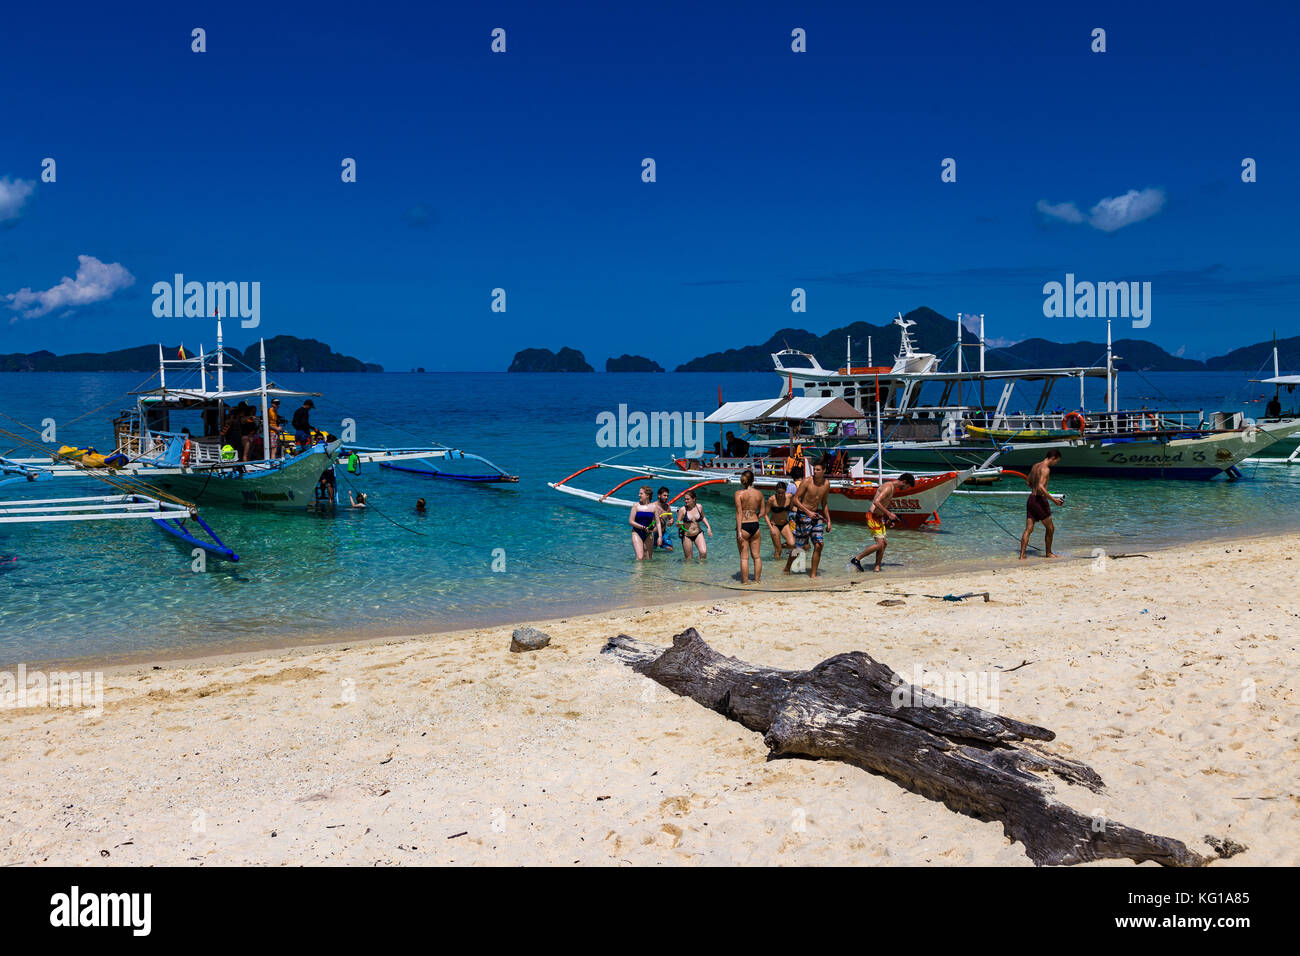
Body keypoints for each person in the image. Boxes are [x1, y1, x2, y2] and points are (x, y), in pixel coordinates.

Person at [849, 473, 915, 573]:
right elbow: (876, 502)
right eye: (907, 487)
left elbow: (883, 504)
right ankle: (857, 559)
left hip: (879, 518)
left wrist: (888, 518)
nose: (906, 489)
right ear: (904, 482)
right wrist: (889, 514)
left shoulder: (892, 488)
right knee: (880, 544)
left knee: (884, 544)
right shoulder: (888, 487)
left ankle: (877, 568)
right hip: (872, 517)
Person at [785, 461, 831, 578]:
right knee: (799, 548)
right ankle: (787, 567)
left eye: (818, 470)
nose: (815, 472)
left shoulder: (826, 484)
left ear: (824, 470)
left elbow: (824, 503)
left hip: (815, 516)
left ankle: (813, 575)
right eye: (814, 469)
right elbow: (795, 500)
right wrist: (808, 512)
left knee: (819, 545)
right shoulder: (807, 482)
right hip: (803, 515)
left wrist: (829, 520)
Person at [1020, 450, 1064, 559]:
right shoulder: (1046, 469)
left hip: (1031, 499)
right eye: (1056, 461)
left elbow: (1028, 482)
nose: (1055, 464)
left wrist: (1035, 490)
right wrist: (1054, 500)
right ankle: (1048, 553)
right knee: (1050, 528)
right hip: (1039, 501)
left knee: (1029, 528)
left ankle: (1022, 555)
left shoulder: (1036, 466)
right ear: (1053, 458)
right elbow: (1040, 486)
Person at [734, 469, 764, 583]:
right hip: (755, 525)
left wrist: (739, 531)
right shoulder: (759, 494)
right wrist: (754, 517)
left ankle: (745, 583)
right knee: (756, 556)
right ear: (753, 480)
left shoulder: (738, 494)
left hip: (744, 525)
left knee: (744, 557)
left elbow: (739, 513)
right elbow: (762, 512)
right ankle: (756, 581)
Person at [676, 489, 711, 560]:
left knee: (703, 553)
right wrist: (680, 524)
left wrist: (708, 527)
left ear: (694, 499)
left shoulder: (699, 507)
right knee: (689, 559)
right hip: (687, 535)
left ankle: (700, 570)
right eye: (685, 499)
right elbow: (677, 523)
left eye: (688, 499)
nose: (686, 501)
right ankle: (690, 570)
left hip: (698, 533)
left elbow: (703, 517)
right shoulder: (682, 510)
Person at [766, 481, 797, 559]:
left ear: (785, 491)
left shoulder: (789, 497)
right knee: (778, 551)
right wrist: (770, 527)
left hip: (784, 524)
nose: (780, 495)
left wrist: (804, 512)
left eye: (782, 493)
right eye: (778, 493)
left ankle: (780, 546)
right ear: (776, 491)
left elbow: (791, 508)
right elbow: (765, 515)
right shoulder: (771, 499)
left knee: (792, 544)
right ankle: (776, 568)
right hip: (774, 525)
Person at [629, 486, 658, 560]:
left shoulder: (654, 507)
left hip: (649, 534)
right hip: (637, 532)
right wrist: (642, 527)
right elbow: (631, 521)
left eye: (641, 493)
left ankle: (646, 572)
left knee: (648, 559)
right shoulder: (636, 505)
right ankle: (637, 572)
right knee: (640, 557)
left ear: (647, 495)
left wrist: (653, 530)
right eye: (639, 493)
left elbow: (657, 523)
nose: (639, 495)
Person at [653, 487, 676, 551]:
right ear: (659, 495)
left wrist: (671, 522)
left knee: (670, 549)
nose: (666, 497)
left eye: (667, 496)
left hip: (663, 533)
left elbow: (671, 518)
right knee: (652, 551)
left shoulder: (667, 507)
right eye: (664, 495)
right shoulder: (653, 506)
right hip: (653, 533)